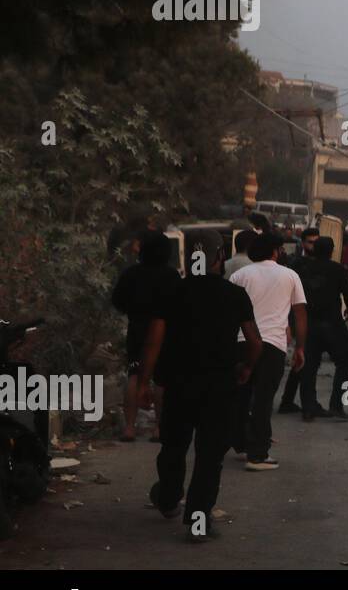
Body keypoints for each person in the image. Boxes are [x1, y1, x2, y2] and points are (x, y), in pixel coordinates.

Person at [139, 231, 263, 541]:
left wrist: (144, 381)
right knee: (209, 456)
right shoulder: (233, 295)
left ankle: (168, 499)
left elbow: (153, 341)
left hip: (178, 384)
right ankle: (198, 522)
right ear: (219, 257)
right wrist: (246, 367)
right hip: (218, 387)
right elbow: (255, 342)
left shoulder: (172, 292)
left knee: (173, 446)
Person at [230, 232, 308, 471]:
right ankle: (258, 455)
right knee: (263, 399)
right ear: (275, 251)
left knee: (241, 397)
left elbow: (230, 312)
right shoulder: (290, 275)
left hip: (242, 342)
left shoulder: (239, 275)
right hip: (272, 345)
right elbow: (300, 314)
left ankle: (242, 444)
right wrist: (300, 347)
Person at [111, 230, 181, 442]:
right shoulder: (171, 275)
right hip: (166, 332)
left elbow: (117, 301)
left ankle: (130, 428)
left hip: (137, 330)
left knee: (134, 373)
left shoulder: (131, 273)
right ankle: (159, 428)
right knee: (161, 379)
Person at [296, 236, 348, 421]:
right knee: (344, 363)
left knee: (309, 367)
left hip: (310, 323)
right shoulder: (338, 270)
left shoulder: (303, 269)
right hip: (333, 324)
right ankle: (337, 406)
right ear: (332, 250)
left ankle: (308, 407)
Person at [276, 228, 319, 415]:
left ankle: (288, 400)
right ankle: (295, 401)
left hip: (312, 317)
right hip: (297, 316)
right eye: (310, 242)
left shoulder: (321, 264)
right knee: (302, 359)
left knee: (301, 360)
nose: (313, 246)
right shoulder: (295, 265)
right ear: (302, 243)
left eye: (316, 242)